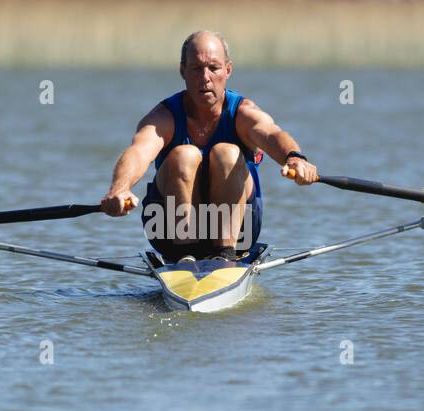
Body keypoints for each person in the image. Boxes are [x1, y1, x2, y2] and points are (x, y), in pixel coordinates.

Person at [100, 31, 318, 262]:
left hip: (240, 231)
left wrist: (294, 158)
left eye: (213, 68)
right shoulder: (163, 118)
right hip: (167, 231)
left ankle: (224, 255)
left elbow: (272, 134)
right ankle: (184, 256)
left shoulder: (243, 113)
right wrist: (119, 189)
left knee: (227, 153)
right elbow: (138, 152)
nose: (205, 77)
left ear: (227, 70)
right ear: (182, 71)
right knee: (184, 155)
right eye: (196, 68)